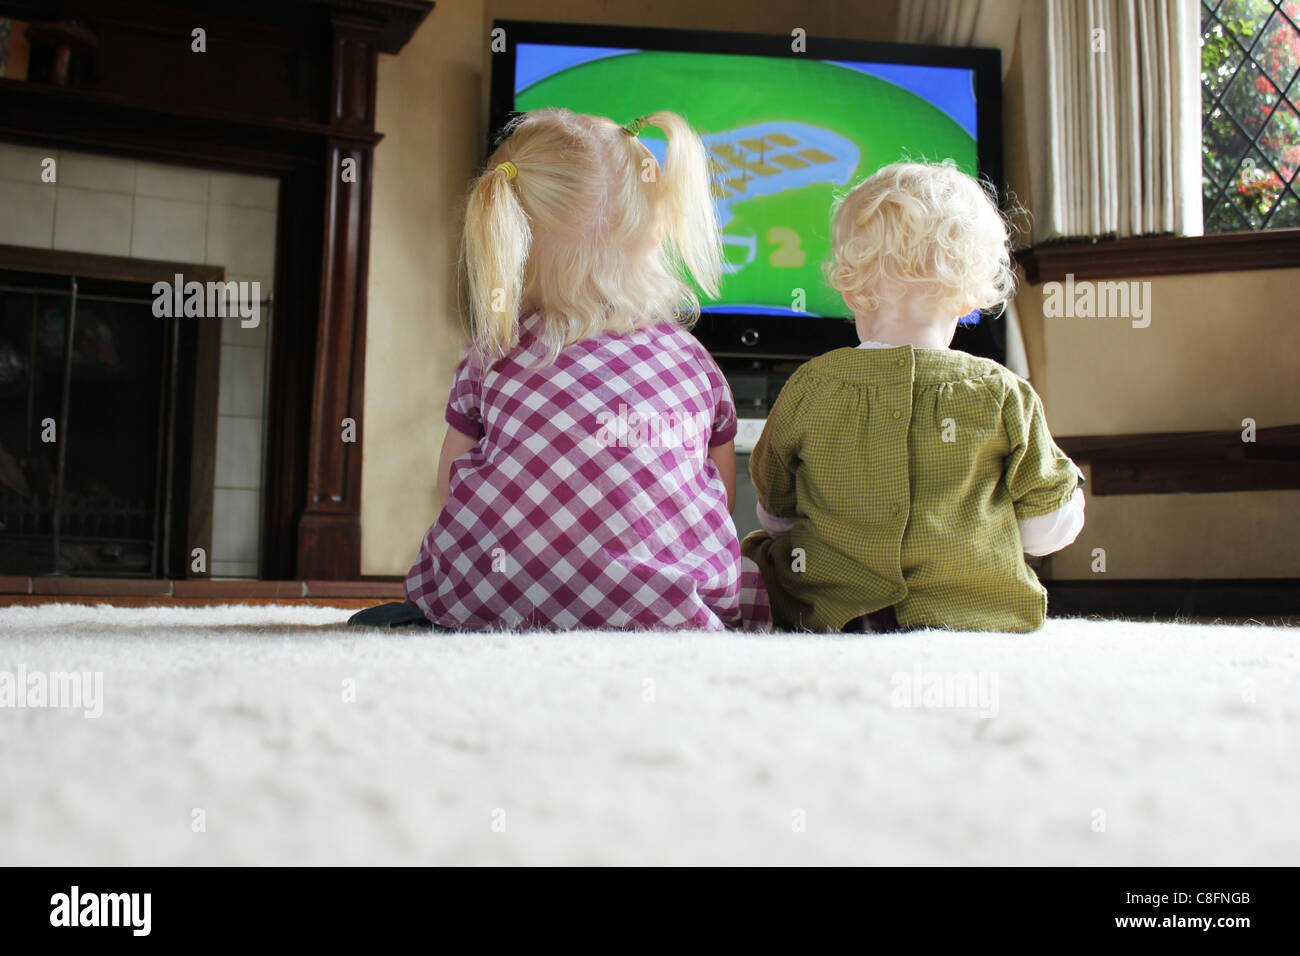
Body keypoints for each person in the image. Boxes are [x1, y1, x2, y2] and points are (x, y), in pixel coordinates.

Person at [355, 108, 768, 631]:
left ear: (505, 232)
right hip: (666, 612)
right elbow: (720, 496)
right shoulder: (694, 362)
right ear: (657, 227)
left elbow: (452, 485)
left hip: (489, 602)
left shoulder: (493, 351)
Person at [743, 161, 1084, 633]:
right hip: (973, 618)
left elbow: (777, 512)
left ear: (850, 287)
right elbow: (1048, 530)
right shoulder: (1001, 393)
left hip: (831, 614)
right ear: (969, 299)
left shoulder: (810, 386)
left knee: (761, 549)